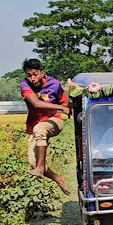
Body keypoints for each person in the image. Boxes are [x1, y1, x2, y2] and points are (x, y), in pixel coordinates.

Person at [20, 58, 71, 194]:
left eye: (35, 74)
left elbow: (65, 104)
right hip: (34, 124)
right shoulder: (25, 85)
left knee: (40, 129)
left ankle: (40, 168)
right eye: (29, 75)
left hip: (54, 121)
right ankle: (58, 178)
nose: (32, 78)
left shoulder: (54, 84)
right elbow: (36, 103)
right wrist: (59, 106)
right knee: (32, 161)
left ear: (42, 73)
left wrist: (63, 107)